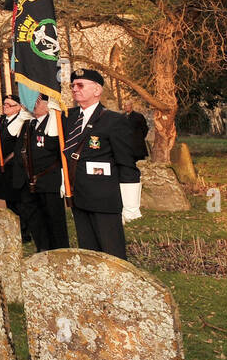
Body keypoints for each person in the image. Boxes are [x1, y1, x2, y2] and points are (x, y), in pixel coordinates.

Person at [63, 68, 141, 259]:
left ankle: (120, 288)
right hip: (78, 197)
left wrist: (130, 206)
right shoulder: (68, 118)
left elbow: (126, 164)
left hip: (104, 201)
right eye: (73, 85)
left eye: (80, 85)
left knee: (112, 255)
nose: (75, 89)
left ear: (97, 90)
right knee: (88, 254)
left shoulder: (114, 121)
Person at [20, 95, 69, 251]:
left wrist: (55, 114)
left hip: (50, 180)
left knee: (55, 219)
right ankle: (43, 249)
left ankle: (60, 251)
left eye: (39, 101)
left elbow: (53, 145)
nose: (34, 104)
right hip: (33, 182)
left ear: (49, 106)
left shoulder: (54, 123)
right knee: (37, 219)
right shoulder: (31, 124)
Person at [0, 94, 32, 239]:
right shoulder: (4, 120)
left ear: (18, 107)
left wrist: (21, 118)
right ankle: (16, 229)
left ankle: (25, 232)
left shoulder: (22, 121)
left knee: (18, 202)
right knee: (8, 200)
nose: (5, 107)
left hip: (13, 167)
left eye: (10, 105)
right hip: (0, 166)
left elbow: (7, 137)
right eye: (4, 104)